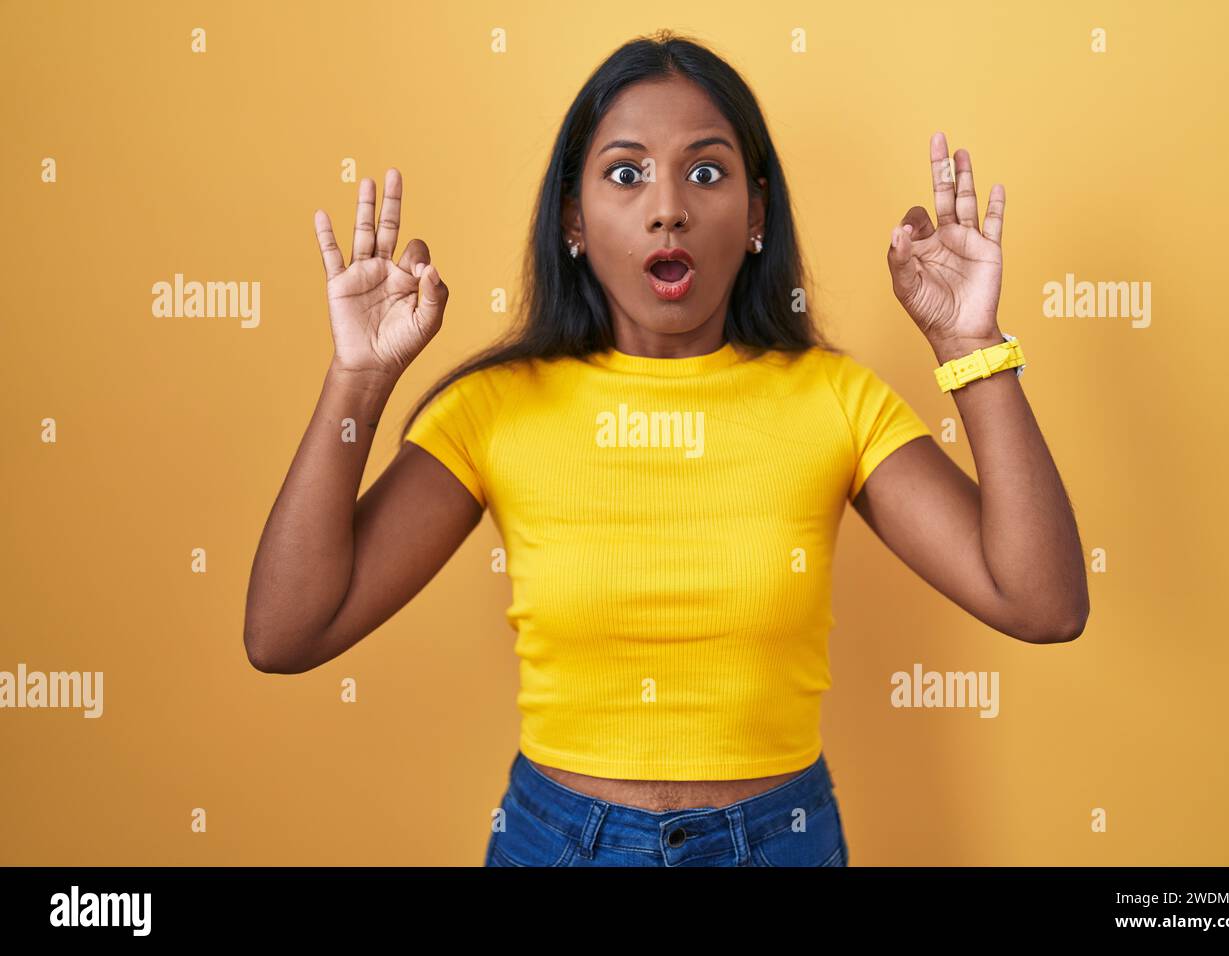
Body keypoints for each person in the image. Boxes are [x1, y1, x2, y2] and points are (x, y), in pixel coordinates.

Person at [243, 32, 1088, 867]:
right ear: (573, 219)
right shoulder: (494, 408)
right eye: (626, 173)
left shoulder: (834, 398)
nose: (669, 206)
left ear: (756, 215)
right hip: (557, 845)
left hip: (780, 844)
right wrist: (358, 379)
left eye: (707, 172)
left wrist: (970, 344)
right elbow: (285, 634)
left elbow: (1042, 604)